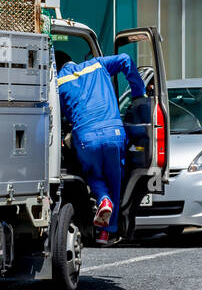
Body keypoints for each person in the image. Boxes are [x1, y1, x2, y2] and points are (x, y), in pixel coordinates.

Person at [54, 50, 146, 245]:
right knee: (115, 179)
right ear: (72, 60)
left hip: (86, 138)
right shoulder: (96, 65)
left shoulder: (58, 82)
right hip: (114, 133)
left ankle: (103, 201)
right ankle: (107, 231)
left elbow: (57, 117)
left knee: (93, 175)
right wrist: (139, 94)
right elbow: (125, 59)